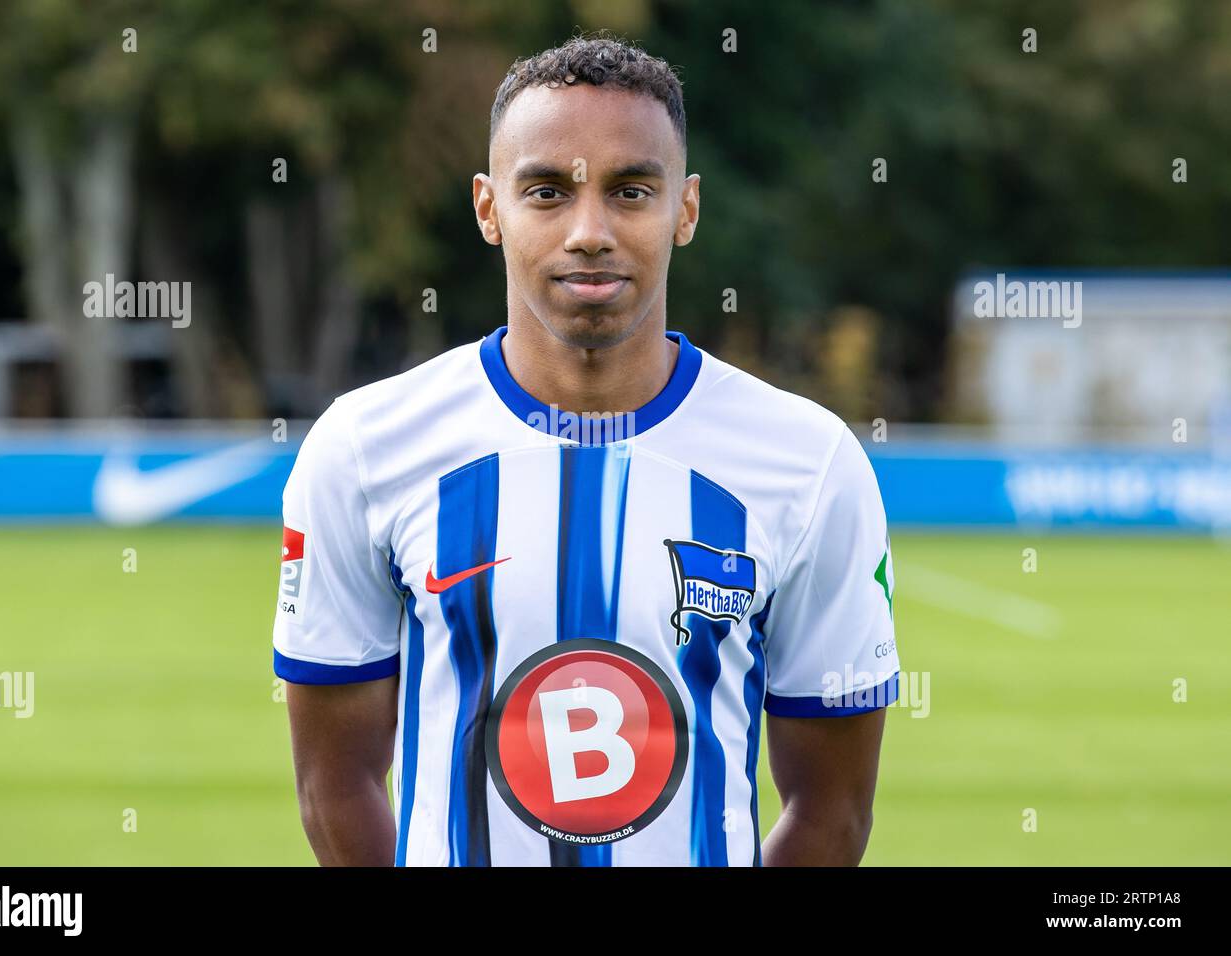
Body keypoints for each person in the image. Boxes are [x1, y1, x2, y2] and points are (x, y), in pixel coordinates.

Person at [273, 33, 899, 867]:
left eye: (631, 191)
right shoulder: (363, 447)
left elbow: (834, 810)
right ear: (489, 208)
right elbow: (334, 786)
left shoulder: (812, 463)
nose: (590, 231)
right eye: (546, 192)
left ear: (687, 208)